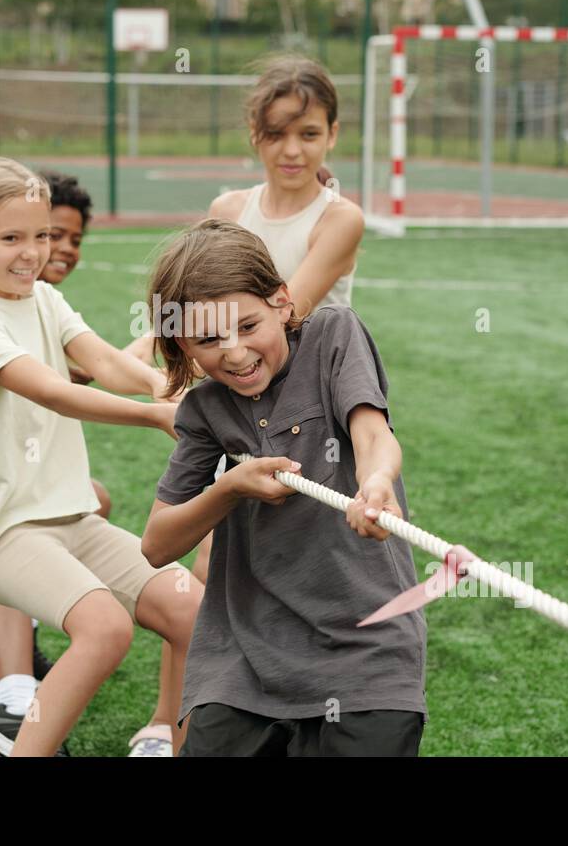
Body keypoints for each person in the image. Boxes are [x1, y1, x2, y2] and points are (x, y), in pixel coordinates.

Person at [0, 156, 201, 757]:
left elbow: (106, 363)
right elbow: (57, 392)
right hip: (9, 534)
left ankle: (174, 745)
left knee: (195, 613)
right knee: (104, 629)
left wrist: (167, 387)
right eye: (11, 238)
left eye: (42, 236)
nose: (32, 253)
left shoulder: (43, 299)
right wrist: (156, 414)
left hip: (75, 520)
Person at [141, 219, 426, 757]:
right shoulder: (205, 411)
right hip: (243, 658)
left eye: (248, 325)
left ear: (281, 301)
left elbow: (371, 432)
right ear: (180, 342)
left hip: (368, 649)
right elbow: (157, 544)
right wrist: (229, 490)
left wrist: (377, 481)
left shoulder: (334, 336)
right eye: (207, 339)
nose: (233, 353)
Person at [185, 54, 366, 585]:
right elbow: (194, 304)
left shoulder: (339, 218)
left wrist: (207, 349)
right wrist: (115, 361)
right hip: (240, 398)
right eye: (276, 133)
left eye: (309, 133)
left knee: (312, 567)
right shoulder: (228, 209)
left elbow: (286, 316)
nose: (292, 149)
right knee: (208, 571)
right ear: (254, 134)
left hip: (313, 405)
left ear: (332, 134)